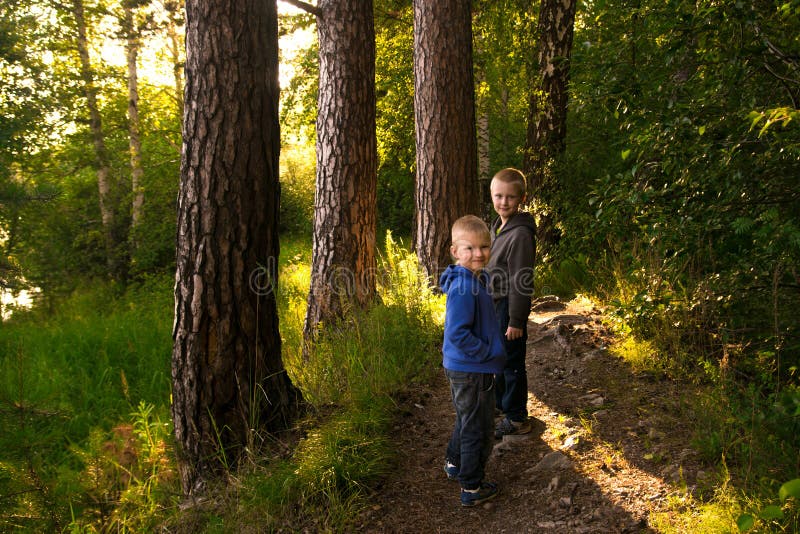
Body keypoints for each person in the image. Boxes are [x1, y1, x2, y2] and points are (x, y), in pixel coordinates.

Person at [440, 215, 507, 507]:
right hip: (472, 369)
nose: (478, 253)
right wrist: (485, 354)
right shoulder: (464, 287)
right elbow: (457, 333)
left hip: (464, 368)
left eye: (484, 247)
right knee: (478, 427)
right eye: (469, 248)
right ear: (455, 251)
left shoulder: (468, 279)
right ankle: (472, 486)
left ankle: (455, 464)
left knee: (466, 418)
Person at [485, 168, 537, 439]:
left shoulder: (520, 234)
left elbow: (521, 280)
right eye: (498, 196)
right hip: (495, 304)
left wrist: (516, 320)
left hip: (509, 305)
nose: (503, 202)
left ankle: (517, 417)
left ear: (522, 199)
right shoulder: (498, 226)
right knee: (499, 357)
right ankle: (501, 404)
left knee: (512, 360)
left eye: (510, 197)